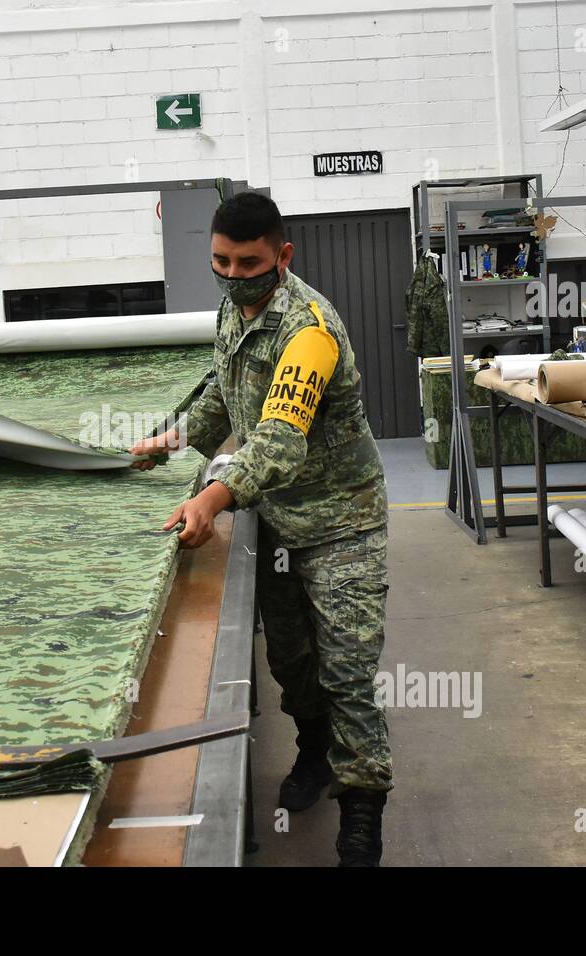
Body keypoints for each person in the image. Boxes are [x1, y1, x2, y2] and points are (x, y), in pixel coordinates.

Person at [128, 193, 391, 867]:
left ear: (283, 256)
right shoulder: (233, 308)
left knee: (348, 671)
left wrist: (213, 498)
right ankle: (313, 752)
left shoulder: (309, 330)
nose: (234, 274)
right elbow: (226, 390)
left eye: (249, 262)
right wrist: (173, 439)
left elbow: (278, 439)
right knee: (293, 662)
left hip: (341, 523)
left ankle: (362, 815)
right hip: (276, 518)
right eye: (221, 261)